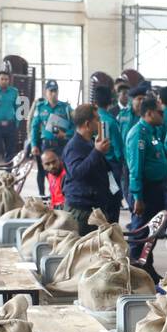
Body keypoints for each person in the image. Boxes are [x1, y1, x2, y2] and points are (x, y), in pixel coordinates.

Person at [125, 96, 167, 273]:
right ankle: (135, 270)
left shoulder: (151, 131)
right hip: (145, 191)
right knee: (141, 232)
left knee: (153, 231)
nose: (163, 115)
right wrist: (137, 197)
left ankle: (147, 266)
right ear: (149, 113)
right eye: (160, 112)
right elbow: (135, 169)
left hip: (156, 189)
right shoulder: (139, 134)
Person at [62, 103, 121, 232]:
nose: (100, 122)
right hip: (82, 212)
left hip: (94, 208)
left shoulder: (89, 143)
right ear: (87, 124)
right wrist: (97, 152)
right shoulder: (74, 147)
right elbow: (77, 173)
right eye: (97, 119)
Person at [28, 80, 73, 196]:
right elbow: (34, 127)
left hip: (61, 144)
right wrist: (33, 145)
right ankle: (42, 196)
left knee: (62, 169)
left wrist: (66, 134)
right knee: (43, 170)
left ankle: (61, 195)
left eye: (55, 91)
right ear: (46, 92)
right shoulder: (40, 107)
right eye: (51, 91)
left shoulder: (66, 108)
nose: (53, 94)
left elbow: (75, 127)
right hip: (45, 144)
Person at [91, 83, 127, 202]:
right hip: (111, 166)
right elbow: (118, 149)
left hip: (94, 163)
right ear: (110, 101)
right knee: (113, 197)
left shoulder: (90, 120)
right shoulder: (111, 122)